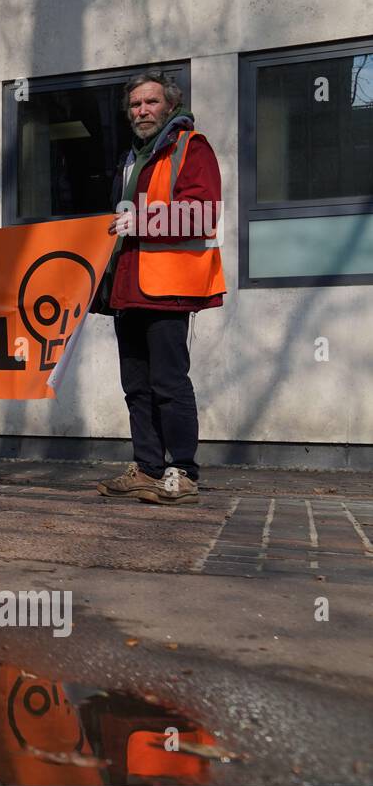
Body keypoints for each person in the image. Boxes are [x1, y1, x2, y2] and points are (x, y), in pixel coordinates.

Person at [94, 70, 225, 505]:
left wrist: (145, 220)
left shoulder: (191, 147)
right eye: (135, 105)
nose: (142, 111)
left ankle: (183, 471)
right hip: (127, 287)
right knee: (136, 385)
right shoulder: (133, 156)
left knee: (169, 382)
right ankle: (148, 468)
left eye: (150, 102)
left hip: (167, 287)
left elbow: (204, 213)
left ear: (170, 104)